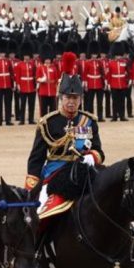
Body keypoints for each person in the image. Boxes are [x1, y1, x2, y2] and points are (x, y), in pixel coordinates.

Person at [25, 52, 104, 218]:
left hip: (84, 172)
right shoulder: (48, 123)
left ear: (81, 99)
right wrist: (32, 188)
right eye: (68, 97)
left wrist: (92, 157)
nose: (71, 102)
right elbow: (36, 159)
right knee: (39, 216)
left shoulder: (88, 121)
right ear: (60, 98)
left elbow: (99, 151)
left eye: (76, 98)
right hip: (54, 174)